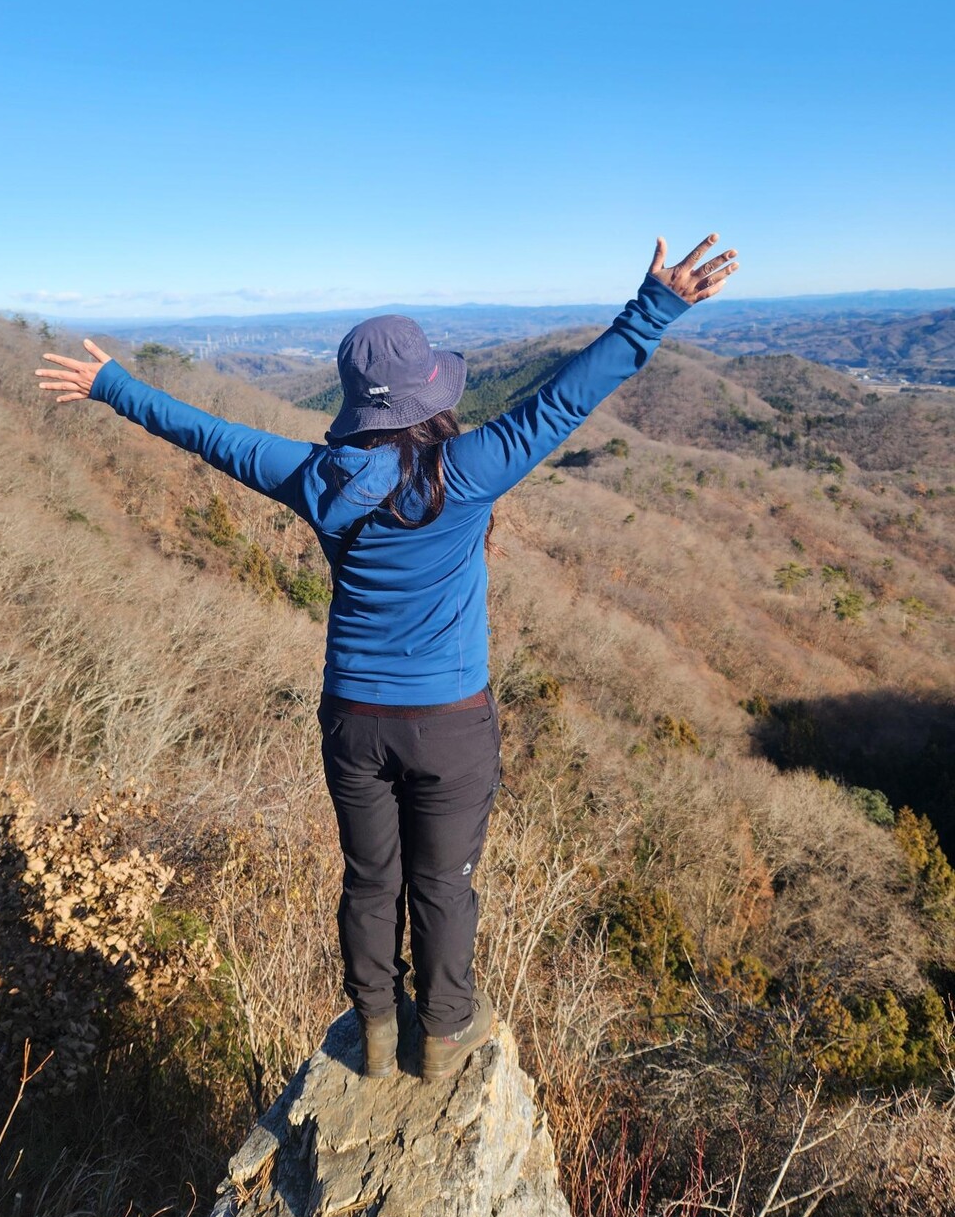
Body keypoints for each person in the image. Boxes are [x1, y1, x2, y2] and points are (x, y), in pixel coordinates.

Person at [36, 233, 737, 1081]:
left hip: (354, 724)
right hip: (450, 726)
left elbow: (211, 436)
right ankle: (440, 1042)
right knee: (444, 886)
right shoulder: (468, 470)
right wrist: (655, 309)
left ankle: (374, 1031)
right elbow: (562, 403)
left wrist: (113, 385)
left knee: (372, 882)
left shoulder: (312, 476)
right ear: (428, 394)